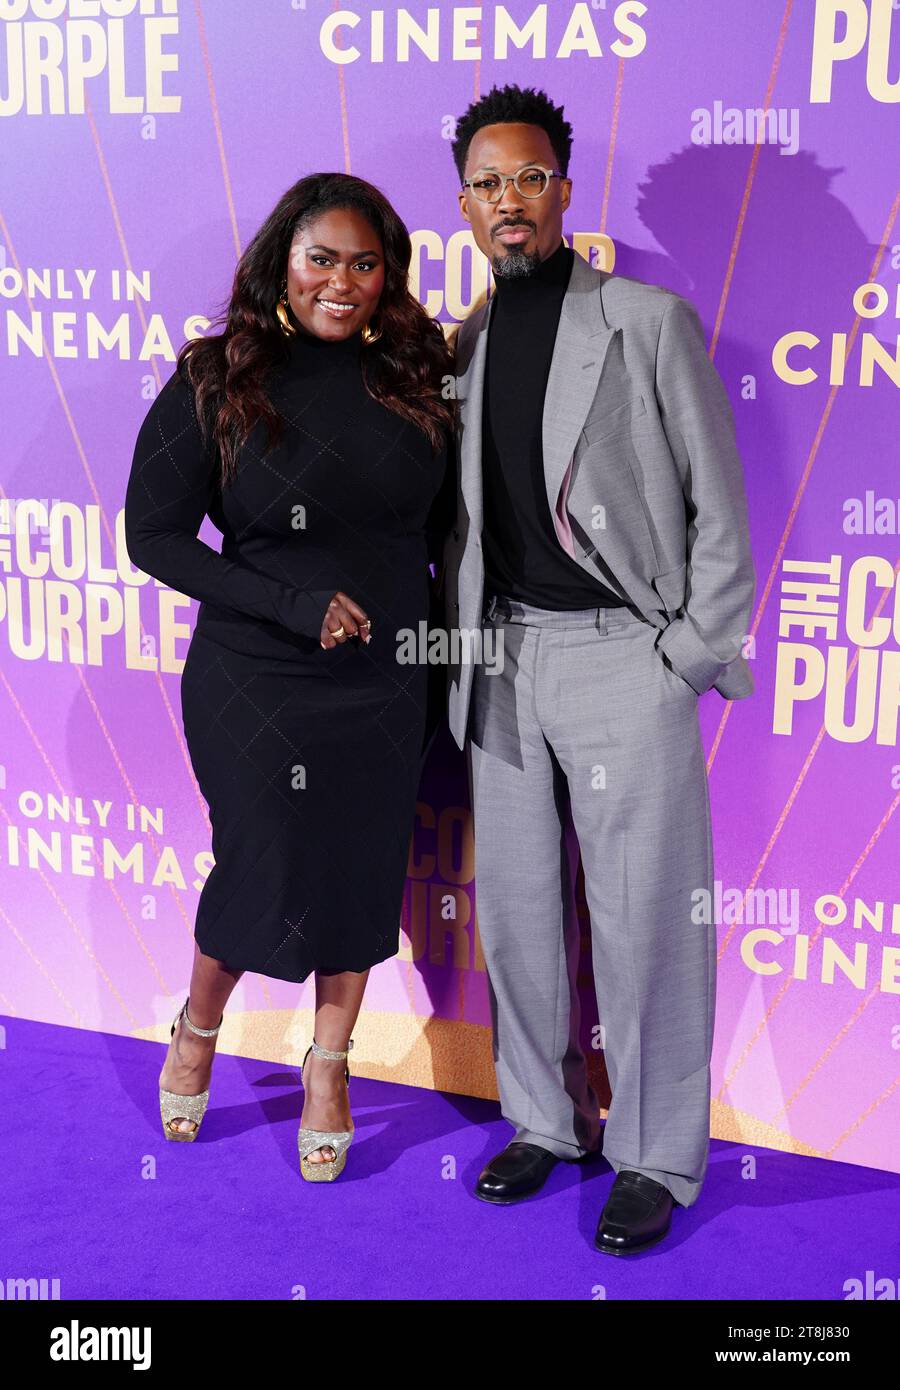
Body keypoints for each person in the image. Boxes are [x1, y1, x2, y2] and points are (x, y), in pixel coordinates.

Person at [442, 85, 756, 1252]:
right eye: (487, 184)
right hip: (503, 664)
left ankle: (656, 1155)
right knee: (521, 918)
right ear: (465, 206)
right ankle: (543, 1119)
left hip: (628, 658)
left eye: (529, 178)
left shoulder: (645, 320)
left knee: (644, 924)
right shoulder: (459, 346)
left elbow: (719, 513)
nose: (509, 201)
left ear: (565, 190)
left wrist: (685, 656)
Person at [124, 172, 455, 1180]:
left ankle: (329, 1064)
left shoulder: (417, 376)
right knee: (261, 859)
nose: (342, 282)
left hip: (388, 677)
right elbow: (155, 537)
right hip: (256, 674)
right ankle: (198, 1025)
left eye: (366, 263)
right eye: (323, 259)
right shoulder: (218, 376)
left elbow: (444, 530)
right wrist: (291, 603)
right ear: (281, 263)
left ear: (388, 275)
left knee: (362, 867)